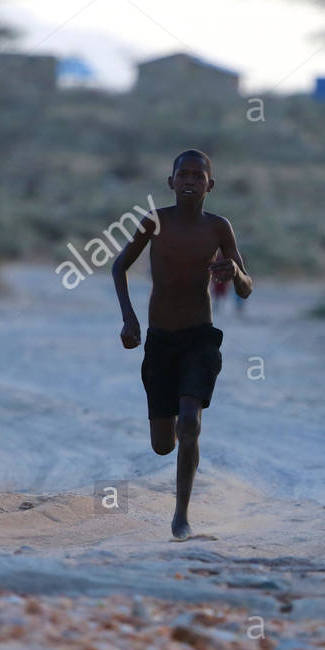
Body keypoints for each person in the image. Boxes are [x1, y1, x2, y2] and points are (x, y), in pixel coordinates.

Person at [111, 149, 253, 539]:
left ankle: (181, 517)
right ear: (171, 182)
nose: (190, 181)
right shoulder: (154, 222)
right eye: (183, 175)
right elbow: (119, 266)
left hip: (199, 337)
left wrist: (235, 272)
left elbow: (246, 288)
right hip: (159, 339)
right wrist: (128, 317)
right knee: (163, 445)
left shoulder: (219, 228)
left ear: (210, 185)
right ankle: (176, 430)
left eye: (198, 176)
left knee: (190, 422)